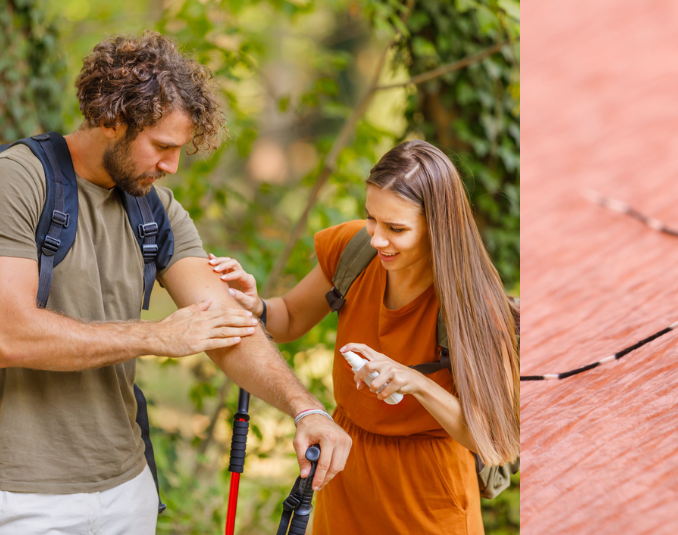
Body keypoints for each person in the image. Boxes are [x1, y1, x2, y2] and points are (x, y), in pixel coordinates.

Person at [0, 32, 351, 534]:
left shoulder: (155, 209)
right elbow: (7, 337)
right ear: (111, 119)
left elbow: (226, 325)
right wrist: (156, 336)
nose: (171, 166)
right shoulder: (17, 180)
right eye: (162, 146)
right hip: (26, 494)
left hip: (129, 487)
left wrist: (305, 409)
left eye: (180, 149)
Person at [209, 140, 520, 534]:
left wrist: (417, 383)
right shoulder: (353, 250)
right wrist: (258, 306)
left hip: (427, 497)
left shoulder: (475, 307)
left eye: (397, 228)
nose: (377, 238)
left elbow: (495, 438)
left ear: (438, 227)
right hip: (345, 472)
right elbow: (287, 318)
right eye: (372, 218)